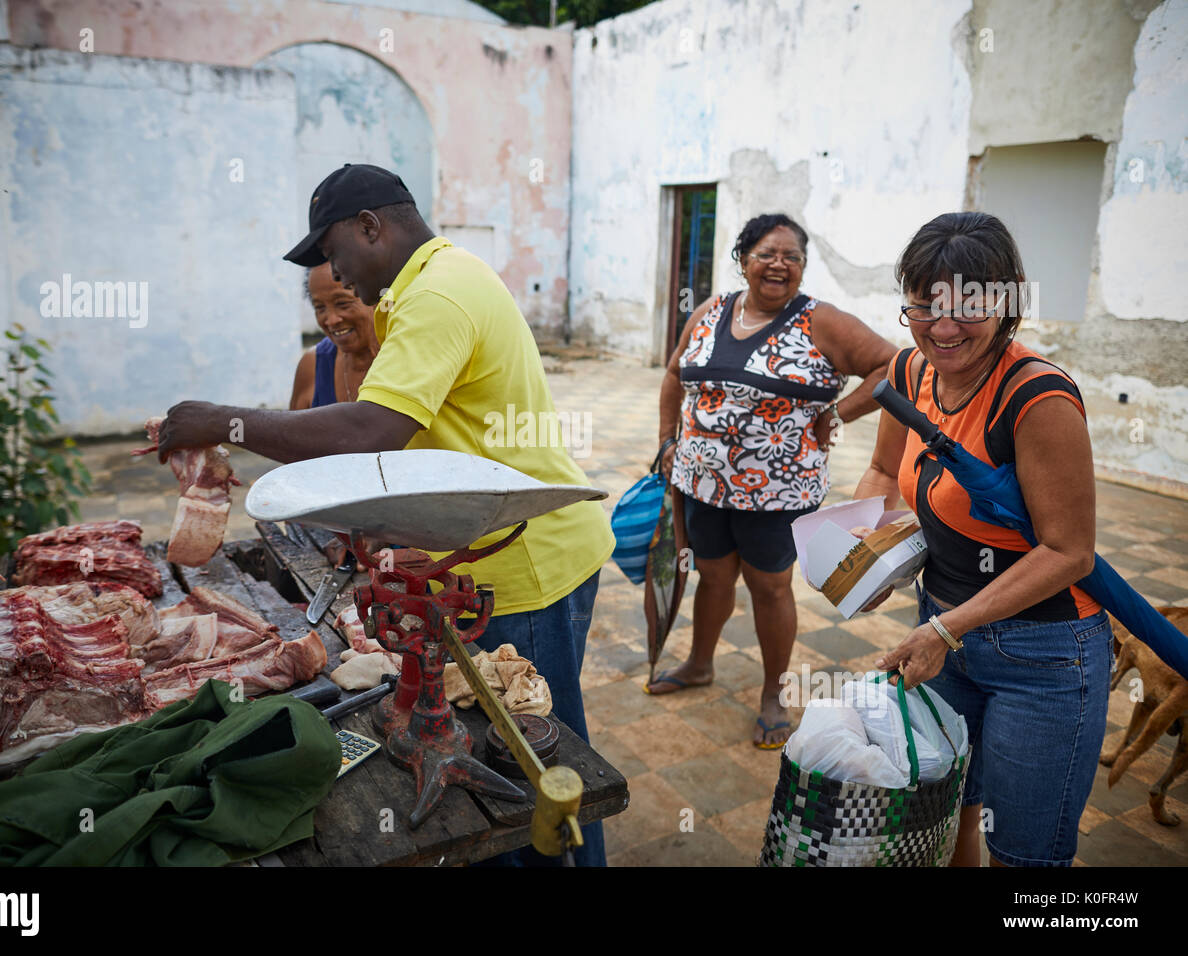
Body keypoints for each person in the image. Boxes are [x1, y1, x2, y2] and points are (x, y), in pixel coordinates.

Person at [157, 163, 614, 866]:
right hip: (488, 549)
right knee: (516, 778)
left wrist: (224, 421)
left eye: (332, 251)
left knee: (536, 779)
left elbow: (370, 430)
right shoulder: (425, 287)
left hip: (527, 564)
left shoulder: (439, 294)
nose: (334, 272)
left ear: (371, 226)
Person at [854, 211, 1112, 867]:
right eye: (924, 305)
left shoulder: (1038, 398)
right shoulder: (910, 372)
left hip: (1043, 657)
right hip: (942, 633)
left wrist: (947, 629)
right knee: (943, 818)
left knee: (1021, 854)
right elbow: (883, 471)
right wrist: (868, 558)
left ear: (1008, 301)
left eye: (968, 307)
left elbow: (1069, 552)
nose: (943, 328)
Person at [649, 213, 897, 753]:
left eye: (792, 257)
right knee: (713, 578)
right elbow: (673, 375)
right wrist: (668, 441)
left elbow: (892, 365)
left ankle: (773, 696)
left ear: (803, 267)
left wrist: (840, 413)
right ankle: (698, 664)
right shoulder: (711, 312)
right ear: (743, 261)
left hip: (777, 493)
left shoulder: (821, 322)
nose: (779, 264)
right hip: (701, 485)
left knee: (770, 588)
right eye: (766, 254)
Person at [289, 266, 380, 409]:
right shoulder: (313, 366)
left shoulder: (406, 356)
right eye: (320, 307)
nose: (331, 320)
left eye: (342, 303)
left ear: (377, 300)